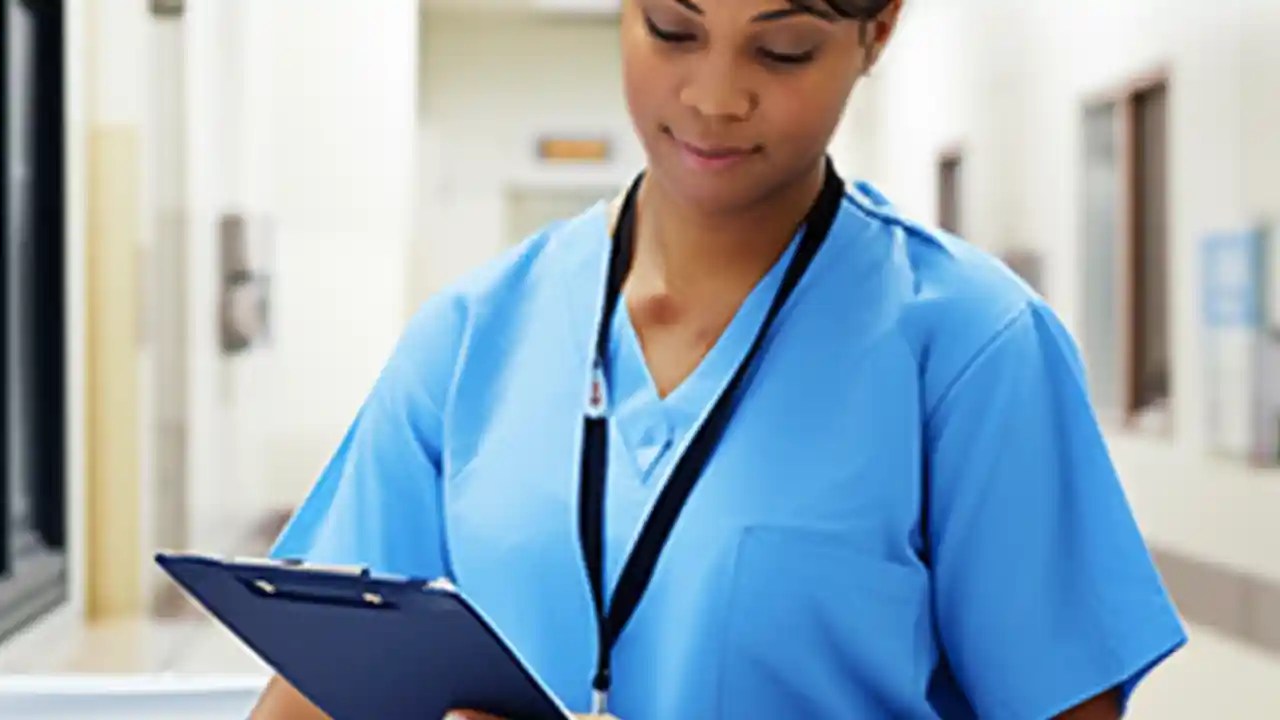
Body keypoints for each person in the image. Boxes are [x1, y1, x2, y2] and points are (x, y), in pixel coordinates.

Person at [249, 0, 1187, 718]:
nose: (715, 97)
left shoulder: (970, 350)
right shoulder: (472, 338)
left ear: (878, 29)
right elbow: (313, 692)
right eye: (672, 29)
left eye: (782, 50)